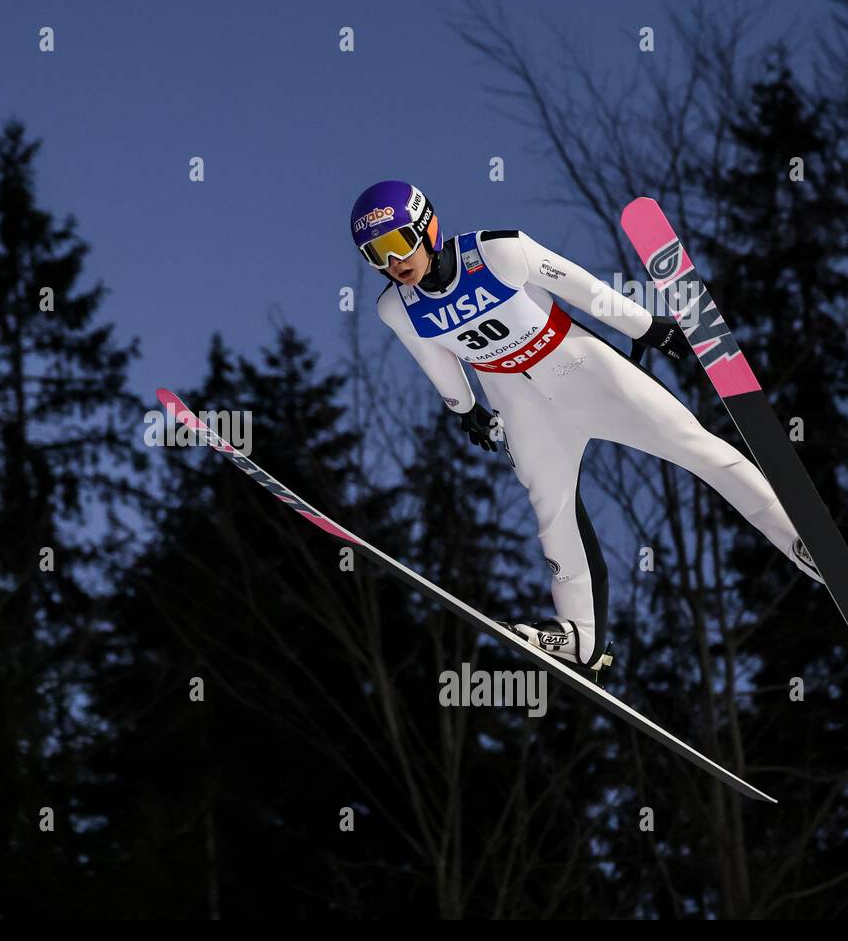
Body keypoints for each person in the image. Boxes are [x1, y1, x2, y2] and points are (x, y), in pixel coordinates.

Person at [351, 180, 822, 674]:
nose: (391, 262)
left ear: (427, 226)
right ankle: (580, 636)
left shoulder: (497, 252)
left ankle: (797, 539)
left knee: (696, 448)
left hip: (584, 372)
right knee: (550, 511)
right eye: (374, 255)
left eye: (398, 243)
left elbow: (584, 289)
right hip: (521, 404)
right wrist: (465, 408)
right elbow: (436, 360)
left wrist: (647, 328)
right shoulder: (396, 308)